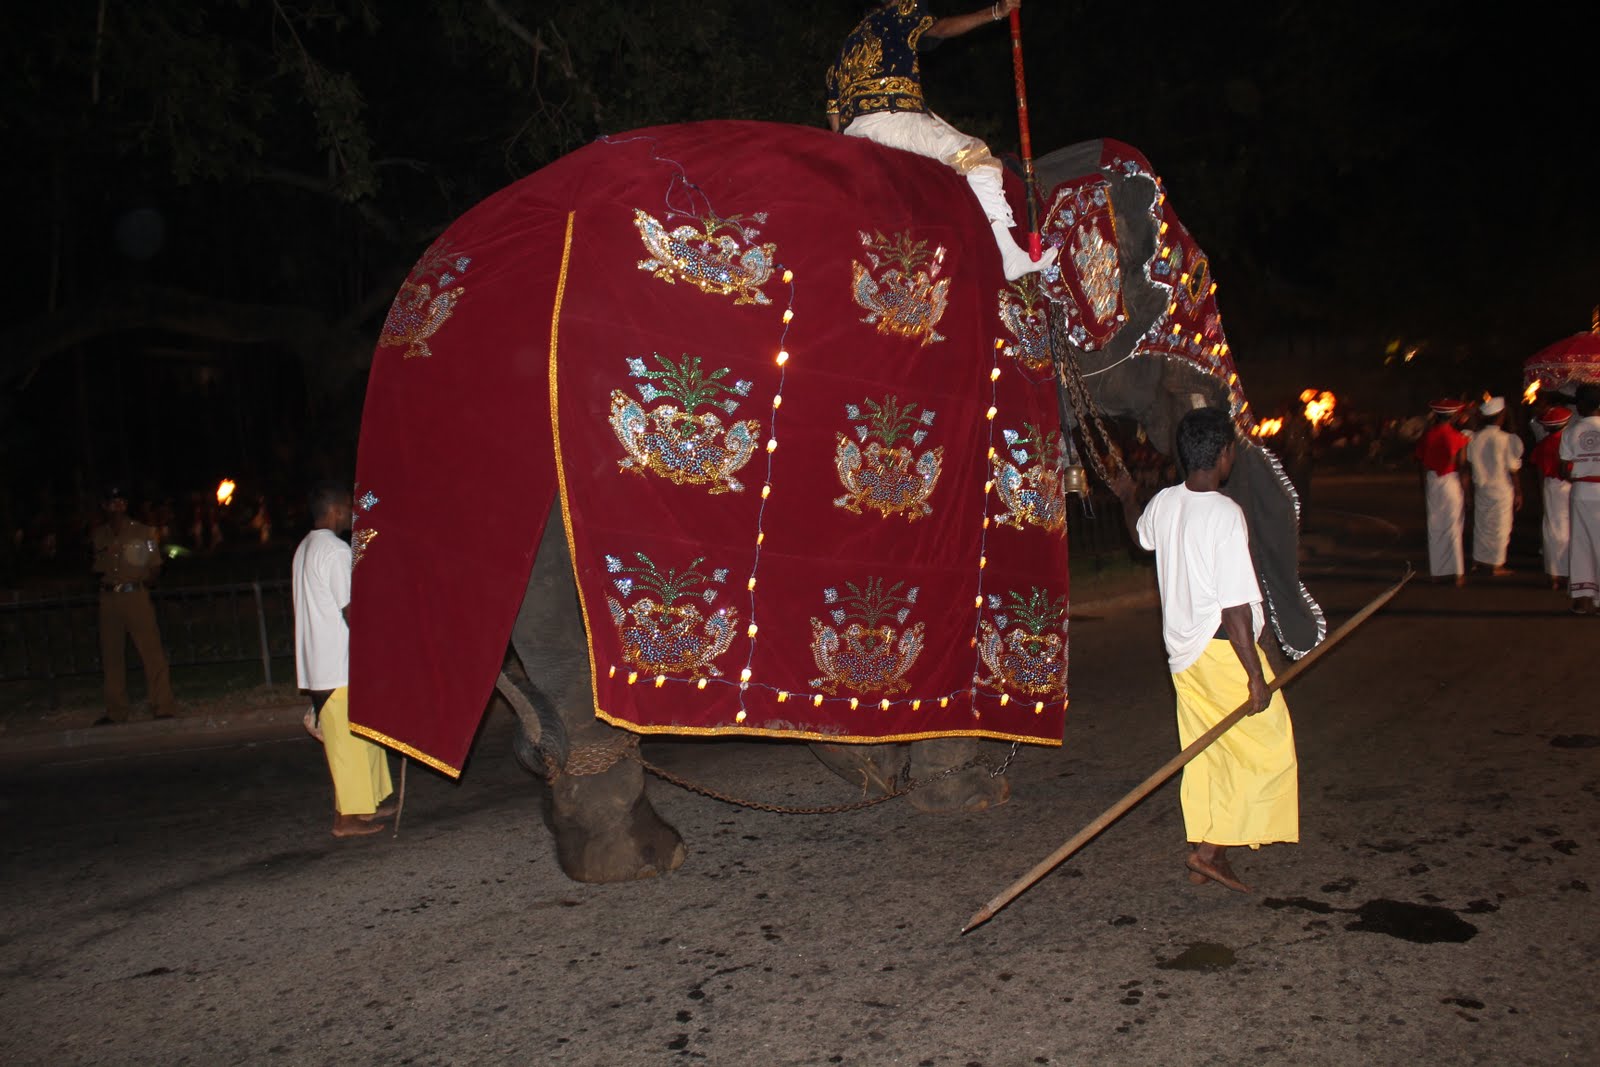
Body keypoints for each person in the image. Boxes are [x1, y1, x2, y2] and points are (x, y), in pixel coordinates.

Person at [1113, 408, 1298, 893]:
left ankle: (1208, 848)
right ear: (1224, 454)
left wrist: (1128, 497)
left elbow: (1138, 537)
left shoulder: (1164, 502)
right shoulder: (1224, 514)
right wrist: (1255, 674)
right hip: (1220, 654)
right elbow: (1235, 607)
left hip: (1182, 655)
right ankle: (1211, 852)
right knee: (1270, 746)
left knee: (1210, 751)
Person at [824, 0, 1059, 281]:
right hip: (894, 121)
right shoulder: (899, 12)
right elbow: (940, 29)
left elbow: (834, 116)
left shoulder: (847, 47)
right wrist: (995, 12)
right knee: (977, 157)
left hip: (854, 132)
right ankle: (1009, 254)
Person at [292, 482, 395, 837]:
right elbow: (351, 609)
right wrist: (377, 645)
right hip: (337, 662)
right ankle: (345, 817)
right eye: (349, 507)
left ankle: (368, 801)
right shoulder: (335, 551)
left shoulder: (305, 547)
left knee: (363, 734)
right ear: (335, 510)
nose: (352, 513)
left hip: (321, 659)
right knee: (347, 743)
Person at [91, 484, 178, 725]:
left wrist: (142, 582)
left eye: (121, 501)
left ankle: (163, 705)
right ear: (104, 506)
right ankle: (116, 711)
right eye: (112, 502)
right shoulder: (100, 535)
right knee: (111, 656)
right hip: (109, 598)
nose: (117, 506)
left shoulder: (144, 532)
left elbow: (155, 566)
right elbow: (97, 567)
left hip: (134, 595)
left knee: (151, 652)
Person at [1463, 396, 1524, 576]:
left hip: (1482, 488)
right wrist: (1519, 492)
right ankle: (1496, 565)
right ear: (1501, 416)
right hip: (1501, 488)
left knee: (1482, 524)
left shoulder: (1474, 438)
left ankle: (1479, 560)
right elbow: (1513, 468)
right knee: (1500, 527)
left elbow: (1468, 463)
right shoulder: (1506, 439)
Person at [1413, 398, 1471, 585]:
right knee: (1453, 526)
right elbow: (1462, 467)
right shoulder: (1458, 437)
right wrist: (1467, 493)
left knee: (1435, 525)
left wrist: (1424, 487)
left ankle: (1437, 572)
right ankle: (1457, 573)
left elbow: (1422, 464)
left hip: (1432, 481)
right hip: (1451, 481)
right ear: (1453, 416)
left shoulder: (1427, 436)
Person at [1560, 385, 1600, 615]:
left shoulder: (1570, 431)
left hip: (1581, 492)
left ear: (1580, 406)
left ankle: (1581, 600)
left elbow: (1564, 468)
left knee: (1580, 543)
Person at [1529, 406, 1572, 589]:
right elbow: (1568, 470)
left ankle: (1553, 574)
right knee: (1567, 529)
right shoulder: (1568, 442)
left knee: (1551, 528)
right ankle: (1565, 573)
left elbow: (1539, 471)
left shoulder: (1543, 444)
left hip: (1549, 486)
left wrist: (1541, 492)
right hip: (1567, 486)